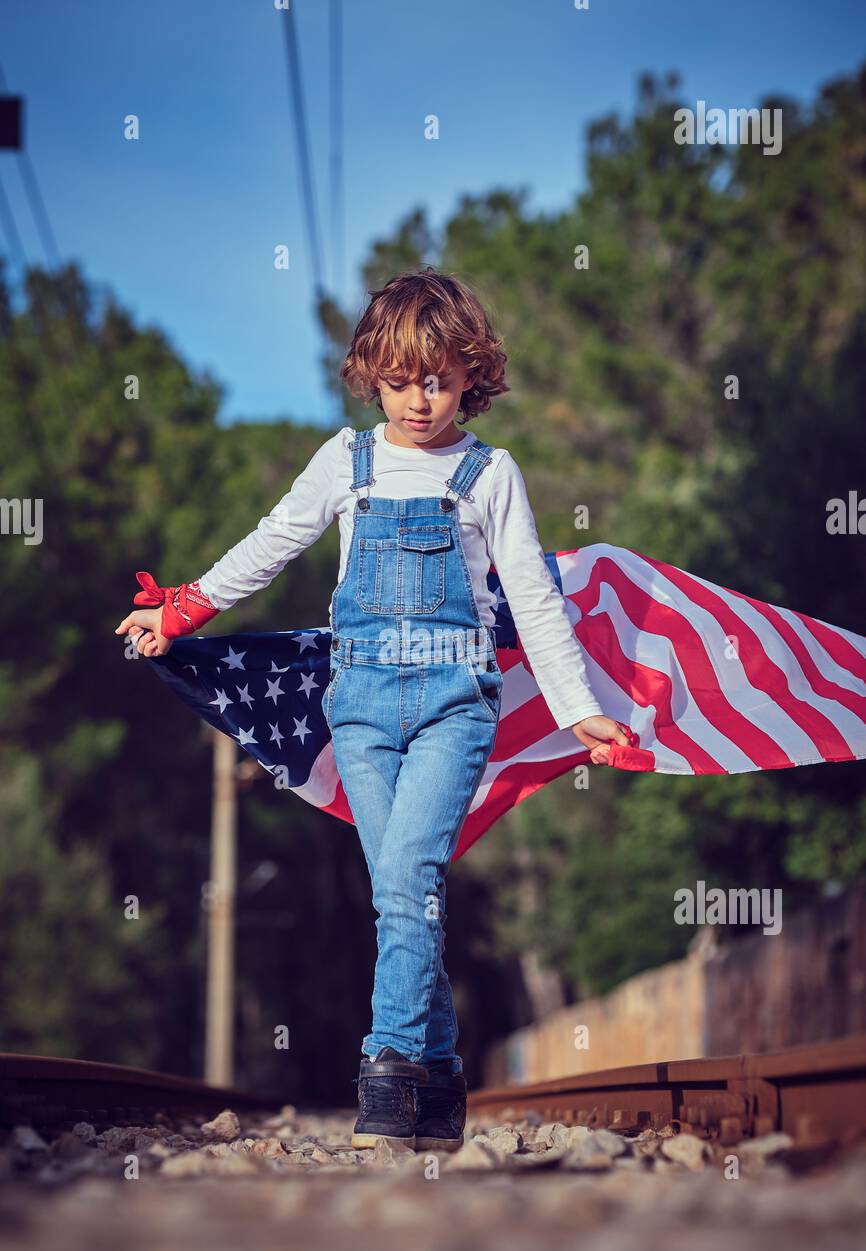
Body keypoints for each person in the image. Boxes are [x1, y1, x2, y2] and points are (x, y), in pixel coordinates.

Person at [115, 267, 631, 1151]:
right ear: (369, 374)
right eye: (398, 381)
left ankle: (389, 1068)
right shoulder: (343, 462)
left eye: (437, 378)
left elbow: (536, 600)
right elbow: (271, 545)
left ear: (472, 372)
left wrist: (577, 706)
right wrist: (182, 607)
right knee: (399, 896)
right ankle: (441, 1076)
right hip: (356, 707)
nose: (419, 401)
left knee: (407, 882)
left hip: (455, 707)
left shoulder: (489, 473)